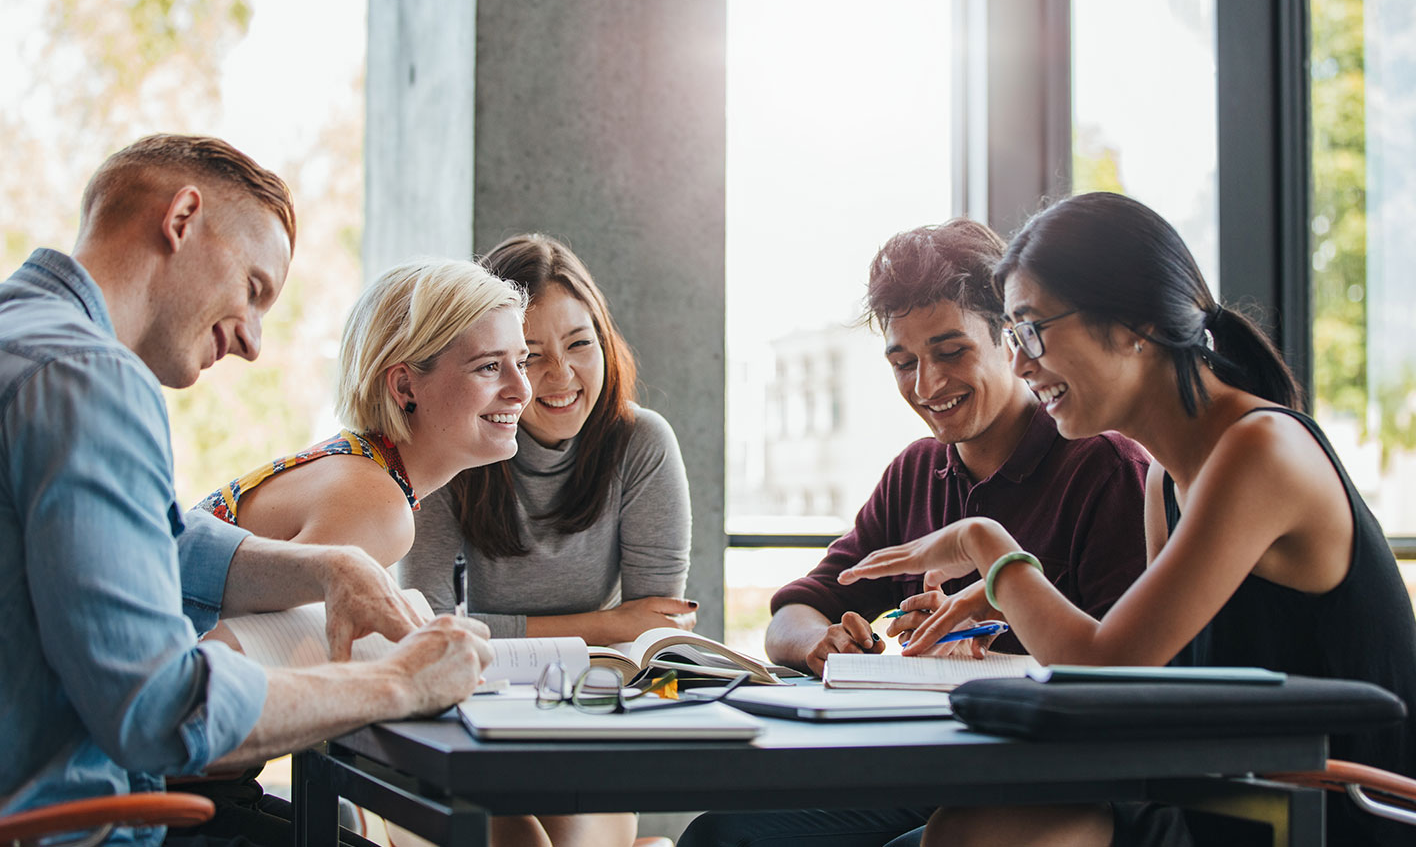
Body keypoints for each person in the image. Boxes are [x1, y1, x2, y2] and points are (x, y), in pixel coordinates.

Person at [840, 192, 1416, 847]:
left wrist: (987, 547)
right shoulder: (1164, 479)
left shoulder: (1260, 452)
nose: (1021, 363)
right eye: (1014, 337)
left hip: (1329, 814)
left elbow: (1102, 669)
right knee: (965, 828)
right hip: (1229, 798)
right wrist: (1001, 599)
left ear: (1133, 325)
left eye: (1032, 330)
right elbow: (1137, 684)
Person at [0, 135, 493, 847]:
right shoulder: (89, 379)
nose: (253, 341)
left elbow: (149, 545)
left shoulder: (24, 340)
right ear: (182, 219)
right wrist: (401, 682)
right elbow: (162, 710)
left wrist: (328, 567)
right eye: (254, 289)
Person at [679, 219, 1150, 847]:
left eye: (951, 353)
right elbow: (793, 612)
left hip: (1053, 786)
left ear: (1010, 339)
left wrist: (992, 634)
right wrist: (821, 644)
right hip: (929, 773)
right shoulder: (915, 472)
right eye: (904, 363)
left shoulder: (1104, 468)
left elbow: (1127, 678)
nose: (926, 386)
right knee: (720, 837)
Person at [401, 232, 693, 847]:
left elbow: (651, 636)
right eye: (530, 355)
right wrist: (605, 625)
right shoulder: (447, 448)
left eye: (580, 343)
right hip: (462, 724)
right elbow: (428, 633)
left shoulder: (642, 443)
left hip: (586, 721)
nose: (560, 375)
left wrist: (618, 630)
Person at [195, 256, 532, 570]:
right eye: (489, 366)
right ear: (404, 386)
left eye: (521, 363)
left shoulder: (362, 469)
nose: (522, 390)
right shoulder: (377, 509)